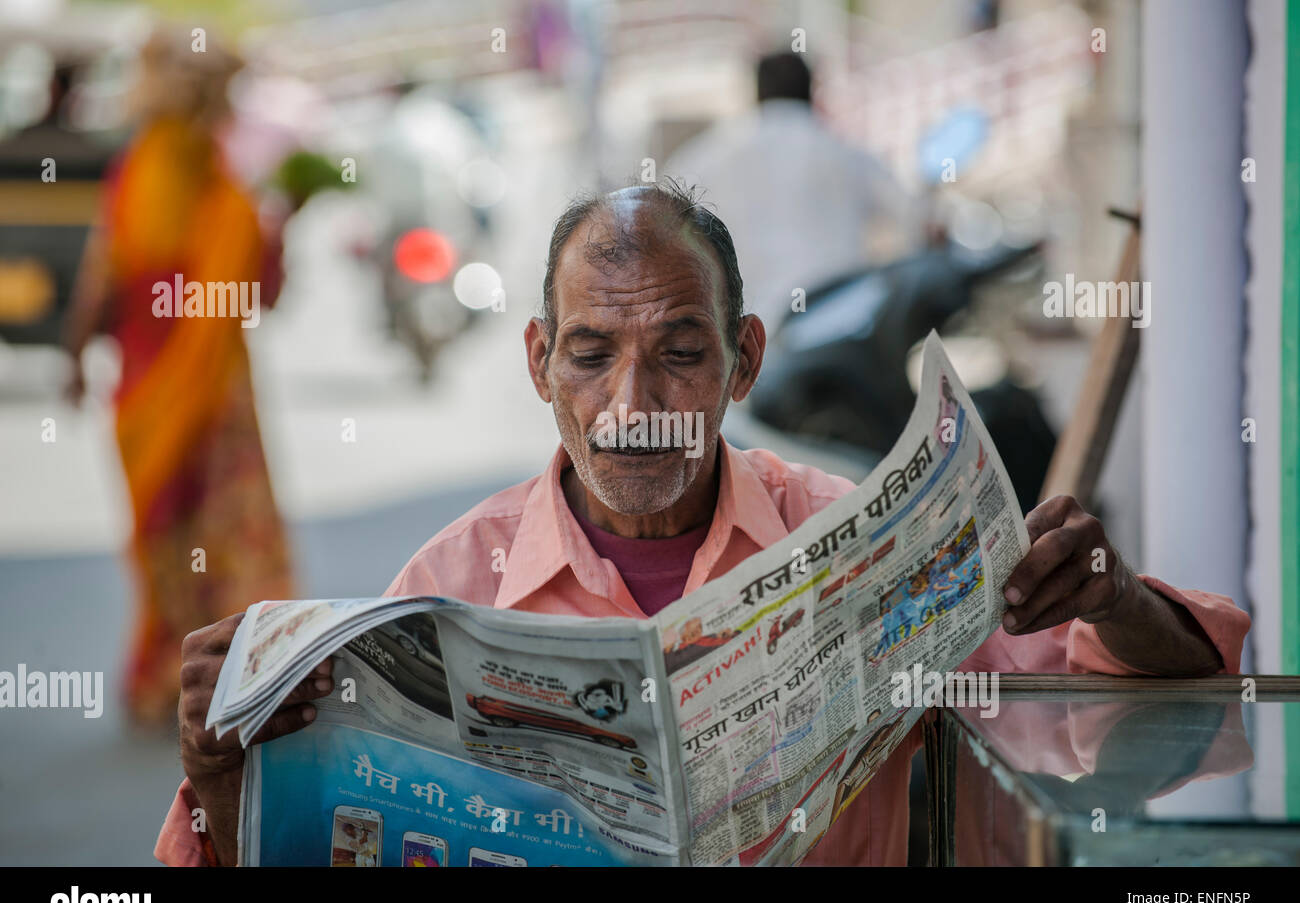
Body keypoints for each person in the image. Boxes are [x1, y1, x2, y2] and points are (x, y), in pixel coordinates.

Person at [159, 180, 1248, 867]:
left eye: (681, 353)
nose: (632, 403)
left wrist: (1114, 596)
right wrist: (220, 770)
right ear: (539, 363)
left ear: (745, 360)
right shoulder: (451, 581)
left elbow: (1161, 706)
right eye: (591, 355)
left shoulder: (859, 542)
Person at [62, 29, 294, 727]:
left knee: (165, 535)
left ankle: (171, 673)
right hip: (219, 401)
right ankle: (247, 675)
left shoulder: (139, 178)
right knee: (226, 537)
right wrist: (280, 229)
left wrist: (74, 358)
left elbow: (101, 282)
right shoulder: (225, 192)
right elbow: (264, 296)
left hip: (148, 397)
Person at [667, 52, 927, 324]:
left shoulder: (707, 156)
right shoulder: (843, 151)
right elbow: (917, 218)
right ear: (811, 90)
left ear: (756, 91)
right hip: (841, 320)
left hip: (749, 327)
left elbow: (663, 218)